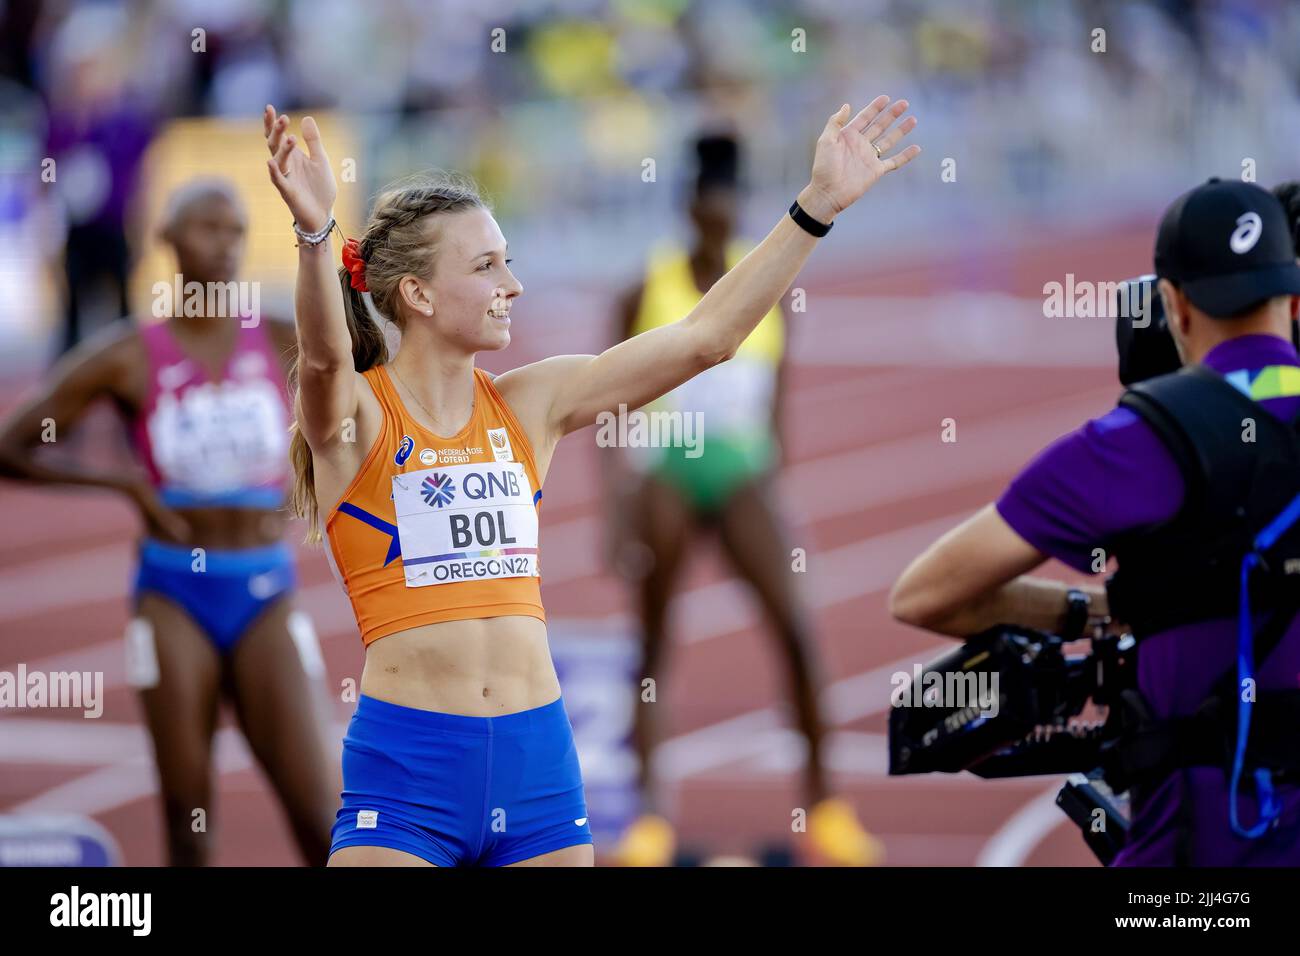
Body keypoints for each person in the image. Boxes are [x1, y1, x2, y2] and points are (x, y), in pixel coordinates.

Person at [260, 95, 920, 867]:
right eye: (487, 265)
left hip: (539, 773)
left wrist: (817, 206)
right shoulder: (359, 421)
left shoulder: (532, 403)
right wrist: (313, 235)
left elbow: (706, 340)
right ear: (419, 294)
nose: (515, 283)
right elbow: (323, 359)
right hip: (408, 781)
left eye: (508, 258)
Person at [890, 179, 1300, 865]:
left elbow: (925, 594)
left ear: (1171, 304)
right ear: (1291, 297)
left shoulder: (1136, 441)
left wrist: (1091, 612)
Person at [0, 178, 338, 866]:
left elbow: (365, 406)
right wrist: (124, 483)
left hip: (266, 593)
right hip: (173, 597)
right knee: (189, 830)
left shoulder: (280, 336)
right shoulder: (128, 354)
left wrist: (312, 482)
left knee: (323, 818)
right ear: (167, 241)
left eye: (237, 230)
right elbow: (13, 446)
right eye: (209, 228)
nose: (226, 245)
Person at [604, 132, 882, 866]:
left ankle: (825, 808)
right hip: (667, 470)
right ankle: (650, 819)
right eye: (710, 204)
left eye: (731, 204)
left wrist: (774, 486)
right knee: (654, 645)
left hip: (743, 474)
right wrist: (617, 507)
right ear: (691, 208)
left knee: (796, 630)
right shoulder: (646, 286)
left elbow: (776, 406)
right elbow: (605, 404)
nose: (721, 216)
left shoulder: (766, 286)